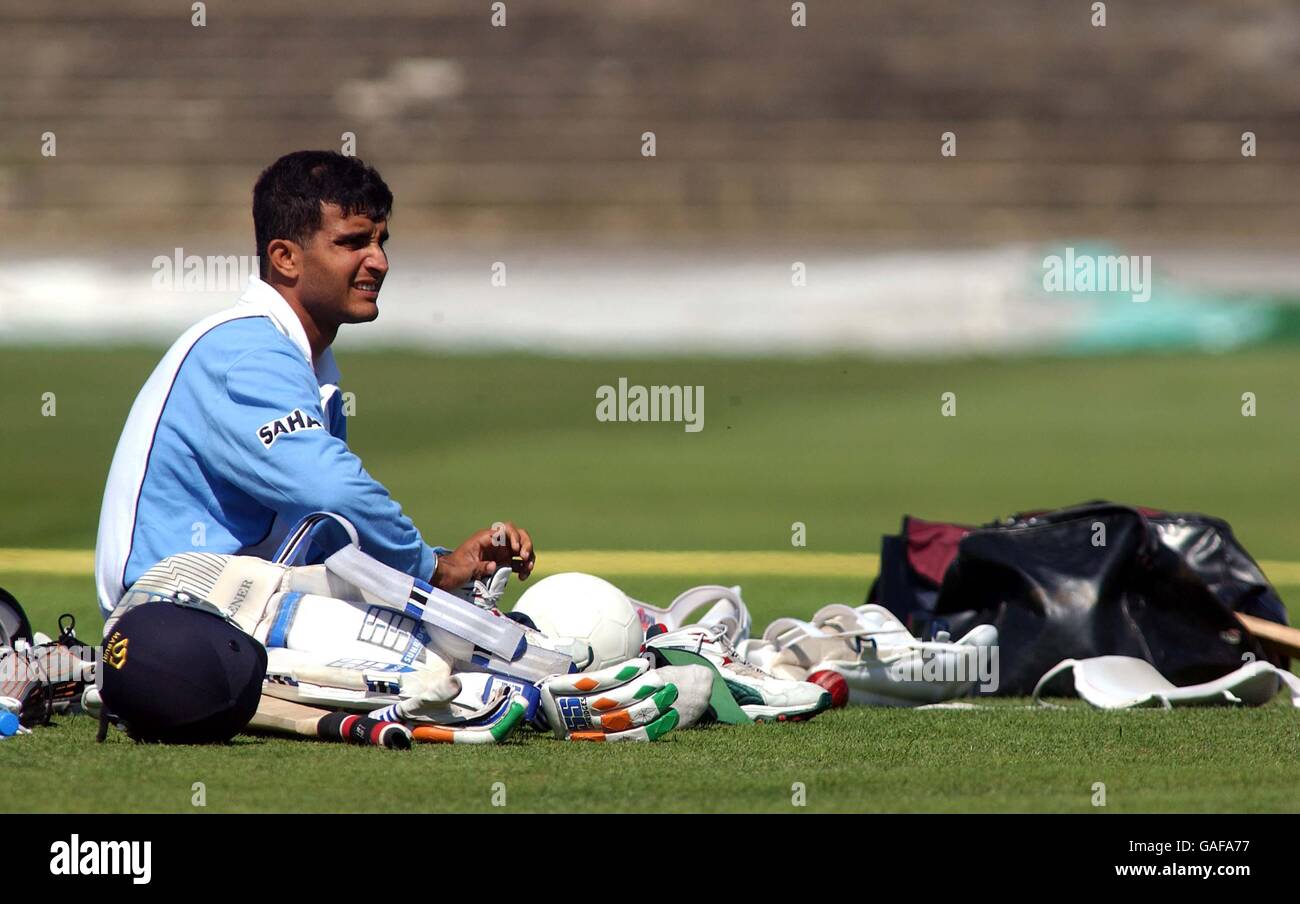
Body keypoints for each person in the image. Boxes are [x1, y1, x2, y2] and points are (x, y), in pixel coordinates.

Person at [94, 150, 534, 619]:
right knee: (469, 669)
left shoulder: (300, 360)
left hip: (229, 612)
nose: (379, 261)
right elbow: (334, 492)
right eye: (353, 243)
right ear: (284, 257)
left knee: (464, 638)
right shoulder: (247, 352)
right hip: (168, 622)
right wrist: (434, 571)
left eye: (381, 241)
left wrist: (449, 561)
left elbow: (327, 540)